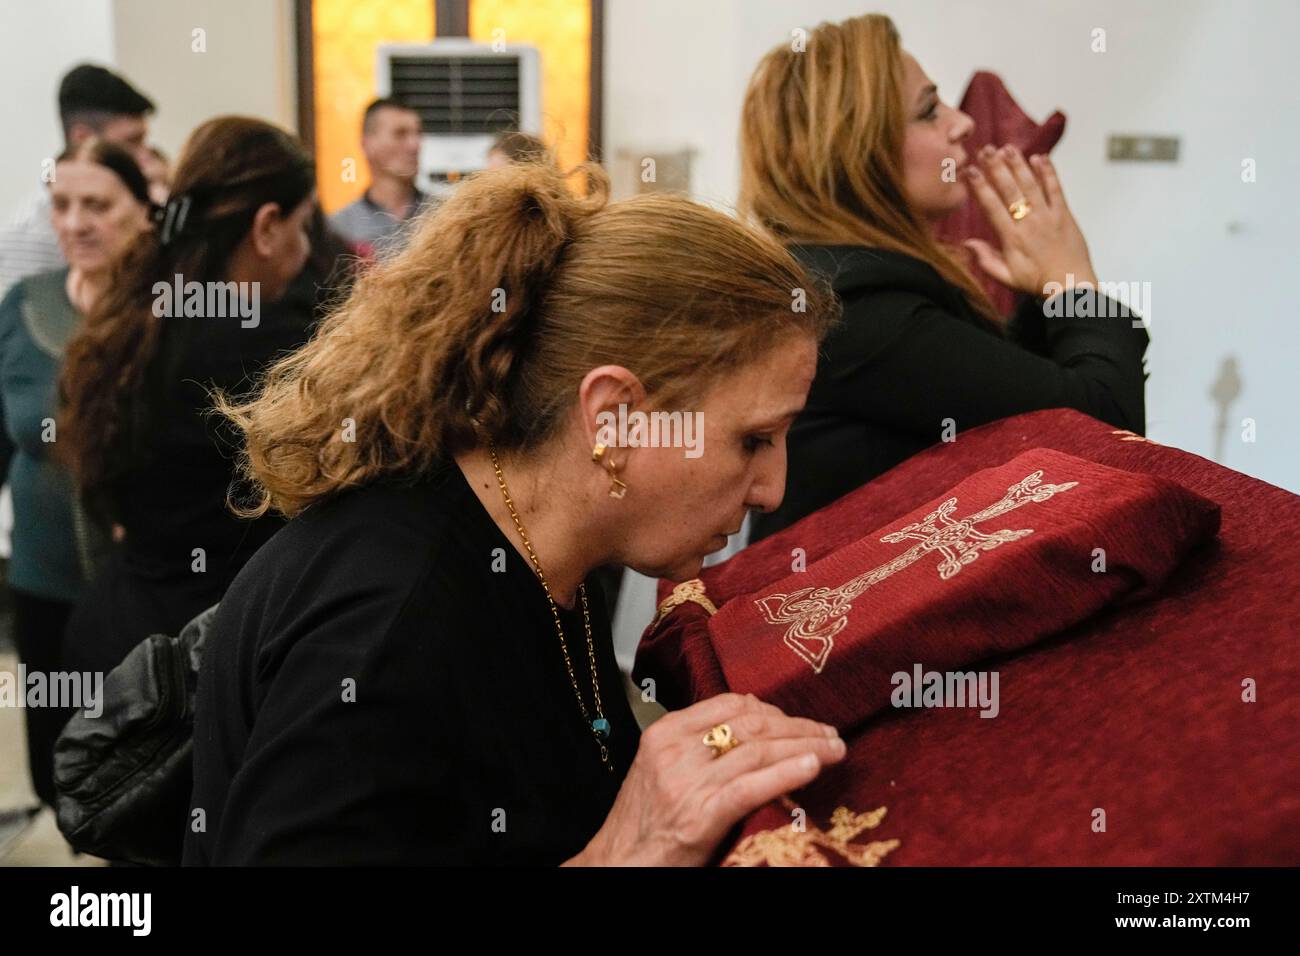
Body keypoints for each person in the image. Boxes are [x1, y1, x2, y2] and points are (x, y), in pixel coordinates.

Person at [185, 160, 847, 865]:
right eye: (753, 440)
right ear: (615, 419)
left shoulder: (549, 548)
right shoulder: (391, 622)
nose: (772, 490)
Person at [738, 14, 1150, 542]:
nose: (963, 122)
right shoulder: (857, 307)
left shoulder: (843, 277)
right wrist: (1074, 286)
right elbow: (1106, 433)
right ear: (859, 152)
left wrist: (1040, 298)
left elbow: (993, 401)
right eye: (930, 111)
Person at [55, 116, 321, 687]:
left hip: (114, 631)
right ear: (267, 226)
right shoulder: (260, 342)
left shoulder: (141, 310)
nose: (305, 251)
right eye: (303, 227)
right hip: (190, 659)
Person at [0, 140, 152, 808]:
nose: (76, 222)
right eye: (63, 204)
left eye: (97, 204)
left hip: (145, 584)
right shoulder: (22, 305)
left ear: (143, 212)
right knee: (56, 768)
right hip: (44, 579)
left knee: (141, 772)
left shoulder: (168, 310)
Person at [0, 64, 155, 301]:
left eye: (98, 206)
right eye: (132, 141)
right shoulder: (31, 236)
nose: (145, 155)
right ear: (84, 139)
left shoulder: (145, 204)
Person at [329, 97, 430, 257]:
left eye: (418, 133)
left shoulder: (444, 216)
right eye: (400, 134)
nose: (414, 144)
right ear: (367, 144)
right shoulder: (340, 229)